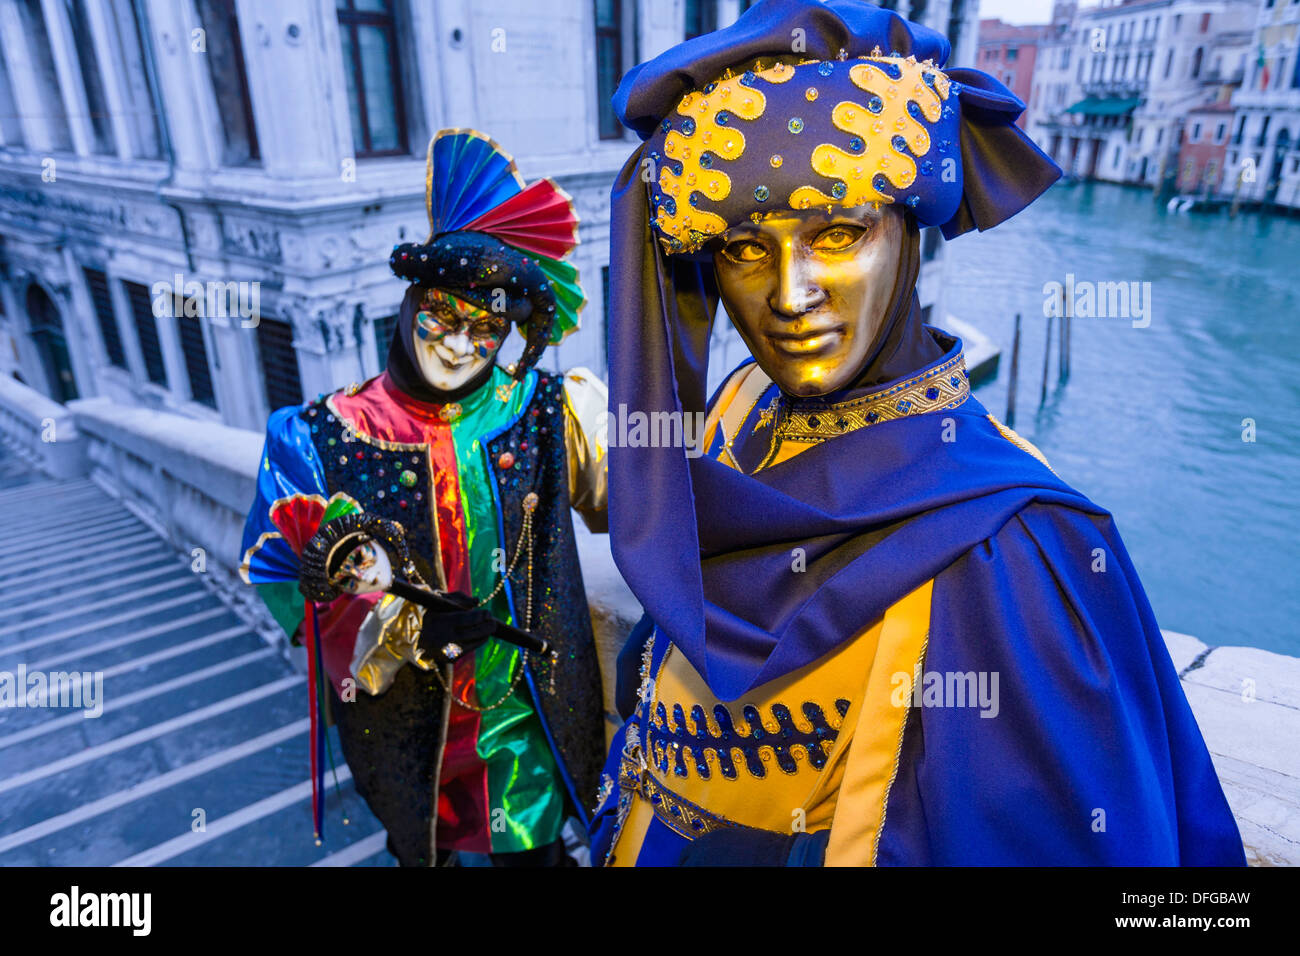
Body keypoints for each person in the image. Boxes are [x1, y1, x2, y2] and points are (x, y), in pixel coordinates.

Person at [590, 0, 1245, 866]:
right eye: (747, 250)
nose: (790, 296)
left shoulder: (1014, 548)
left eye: (837, 234)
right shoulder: (742, 408)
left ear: (909, 237)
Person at [240, 130, 607, 866]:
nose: (460, 344)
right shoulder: (318, 435)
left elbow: (642, 508)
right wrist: (399, 621)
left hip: (522, 713)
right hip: (403, 719)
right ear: (411, 304)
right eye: (443, 314)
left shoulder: (550, 410)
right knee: (424, 848)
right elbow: (279, 572)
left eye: (487, 327)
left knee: (535, 855)